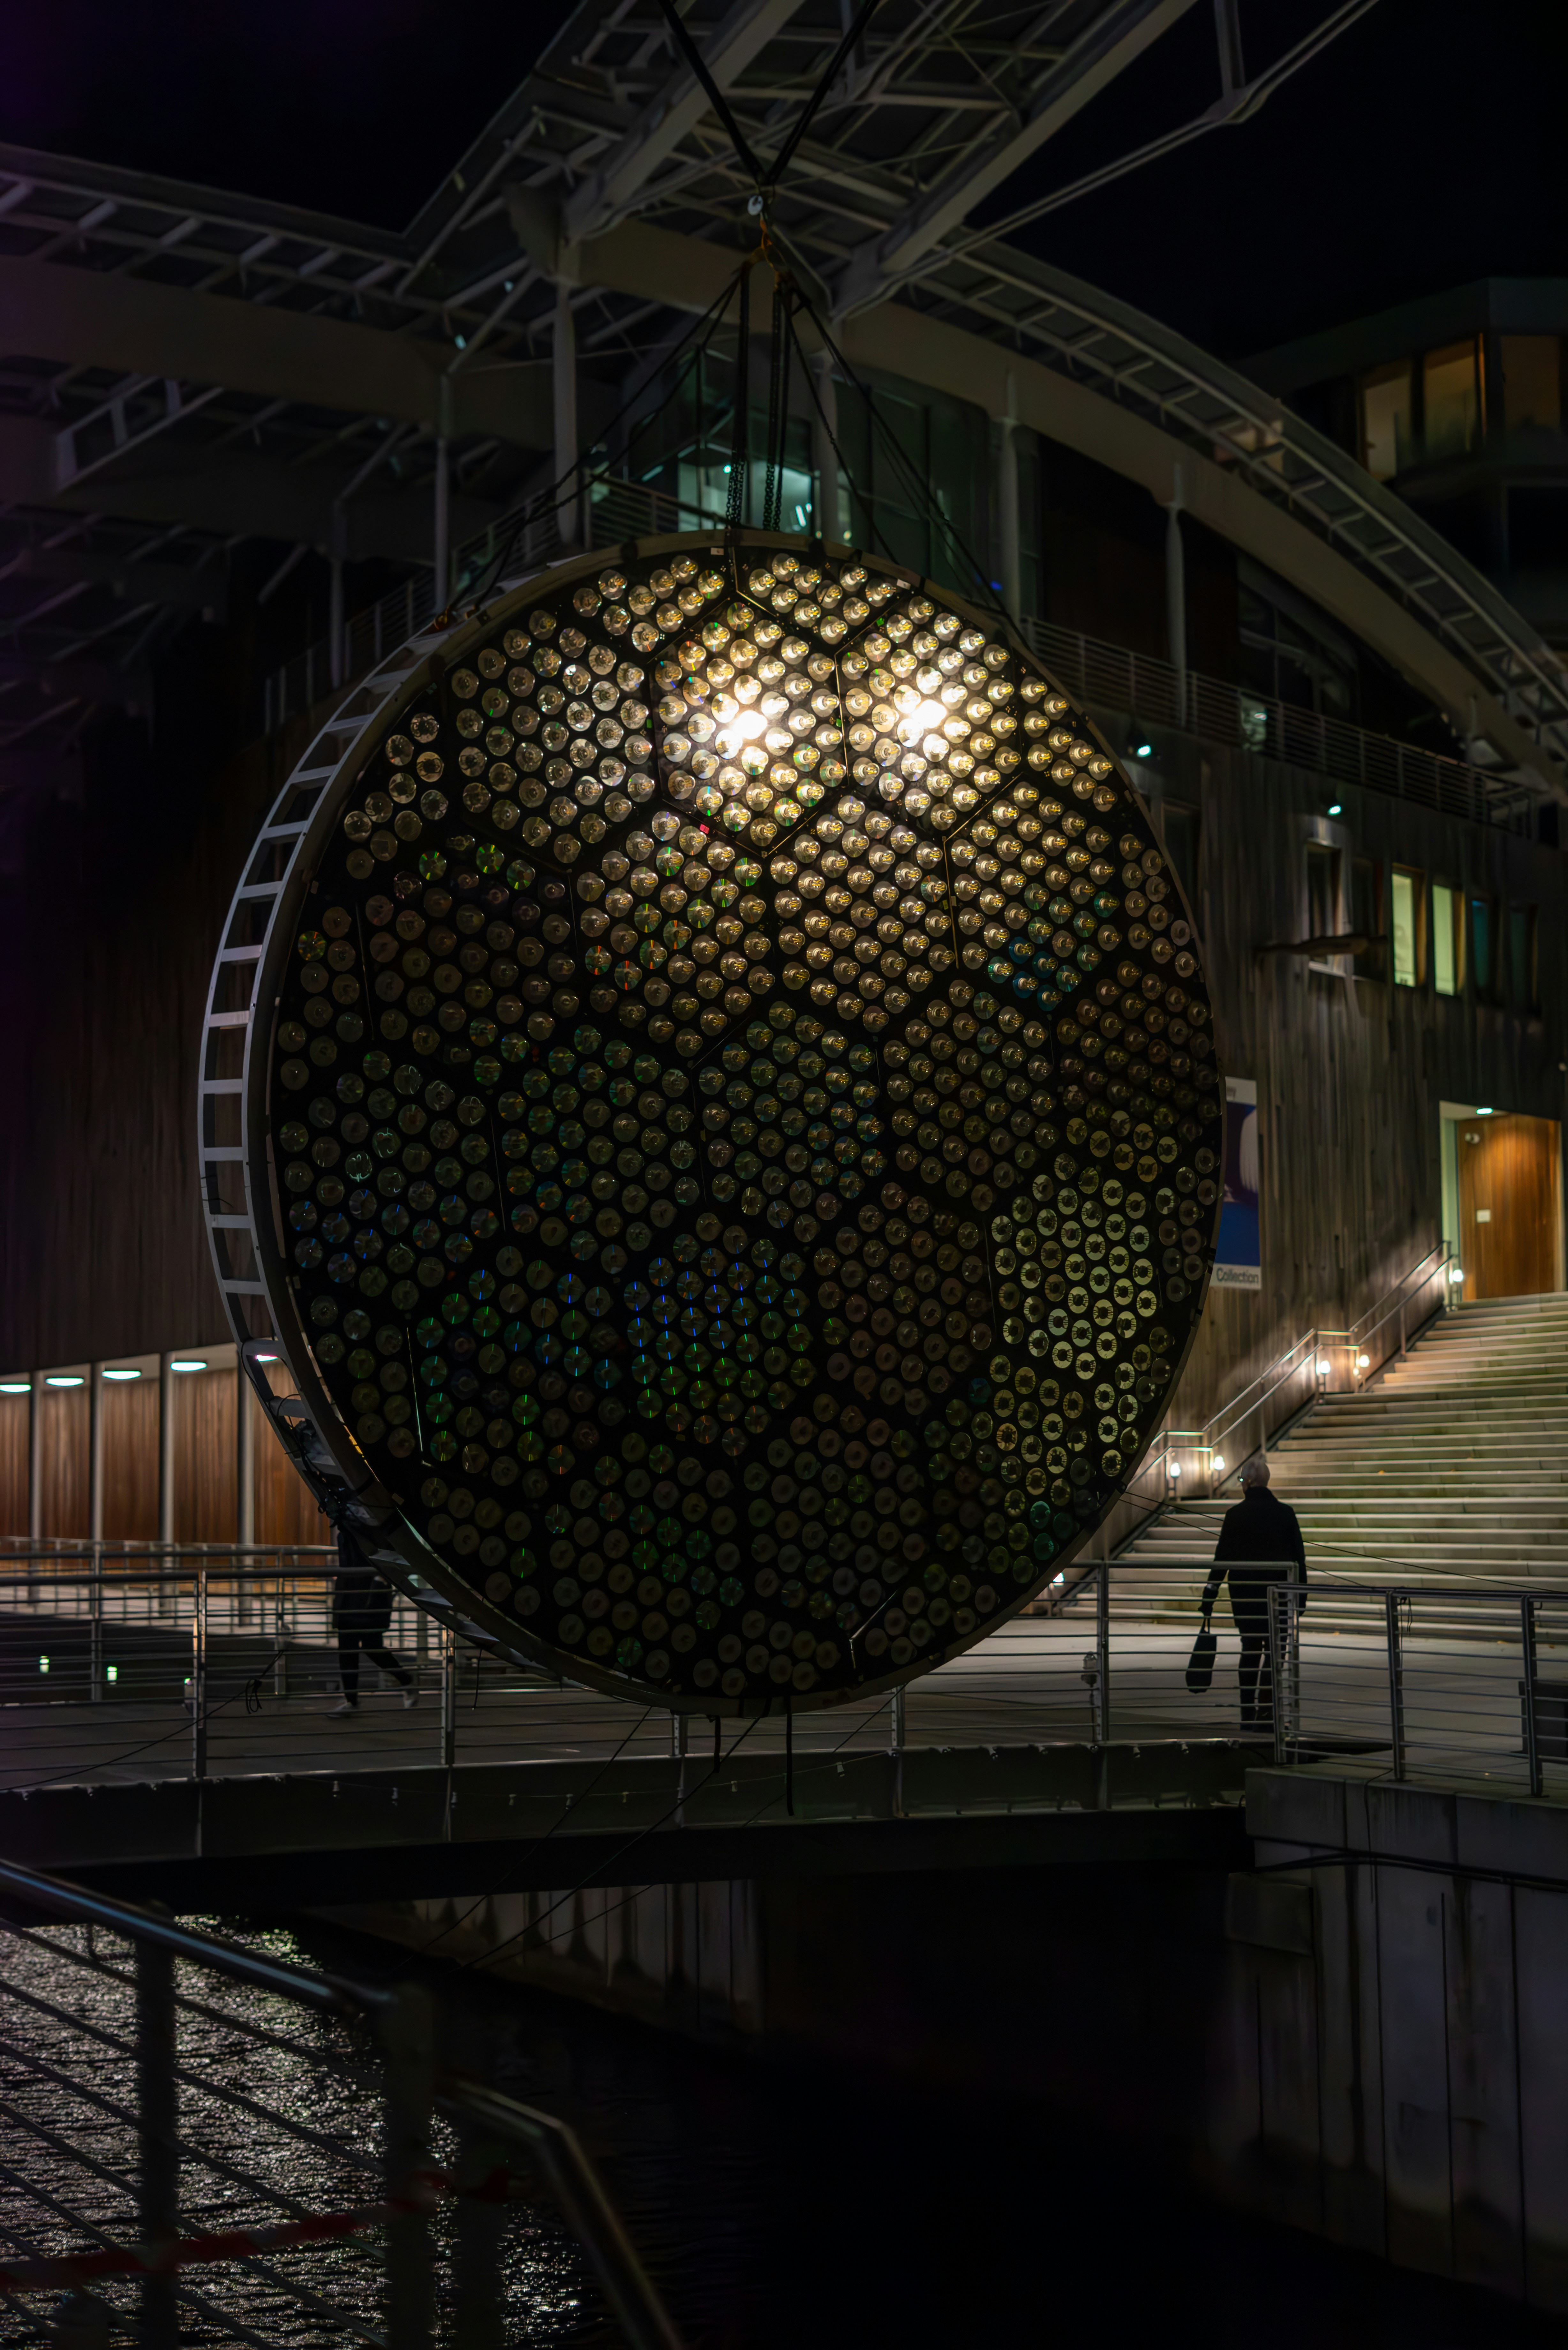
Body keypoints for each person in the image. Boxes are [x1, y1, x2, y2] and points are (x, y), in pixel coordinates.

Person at [1200, 1457, 1305, 1727]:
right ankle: (1268, 1710)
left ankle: (1248, 1712)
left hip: (1246, 1597)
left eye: (1241, 1481)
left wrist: (1209, 1594)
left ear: (1248, 1482)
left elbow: (1222, 1558)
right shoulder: (1286, 1513)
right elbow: (1299, 1559)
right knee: (1275, 1651)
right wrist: (1300, 1599)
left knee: (1250, 1648)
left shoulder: (1235, 1515)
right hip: (1279, 1596)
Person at [329, 1518, 419, 1716]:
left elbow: (388, 1556)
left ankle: (405, 1682)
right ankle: (351, 1700)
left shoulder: (365, 1529)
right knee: (350, 1649)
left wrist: (379, 1583)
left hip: (368, 1596)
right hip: (352, 1595)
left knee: (371, 1647)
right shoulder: (348, 1530)